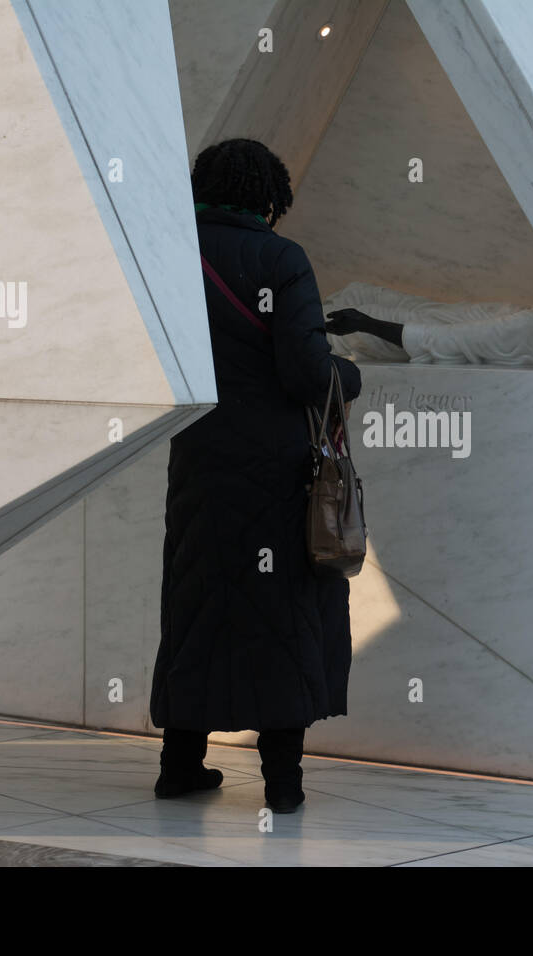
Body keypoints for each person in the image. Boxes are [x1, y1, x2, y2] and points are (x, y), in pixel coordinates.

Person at [150, 138, 362, 815]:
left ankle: (180, 766)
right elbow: (306, 373)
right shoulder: (280, 259)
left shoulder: (168, 254)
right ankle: (282, 786)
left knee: (196, 605)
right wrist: (348, 374)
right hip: (276, 471)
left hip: (198, 460)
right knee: (282, 616)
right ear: (268, 198)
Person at [321, 281, 533, 369]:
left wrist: (366, 324)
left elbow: (437, 342)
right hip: (431, 318)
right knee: (360, 294)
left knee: (346, 317)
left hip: (411, 332)